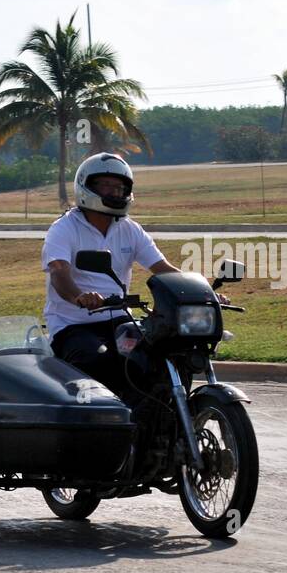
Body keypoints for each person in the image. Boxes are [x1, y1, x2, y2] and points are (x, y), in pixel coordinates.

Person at [41, 152, 179, 400]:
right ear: (87, 185)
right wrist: (79, 297)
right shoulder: (64, 228)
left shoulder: (130, 229)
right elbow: (59, 272)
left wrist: (203, 292)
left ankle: (161, 425)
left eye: (119, 187)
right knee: (97, 359)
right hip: (73, 326)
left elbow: (162, 268)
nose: (114, 192)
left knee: (160, 357)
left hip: (120, 321)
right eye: (105, 185)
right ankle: (97, 428)